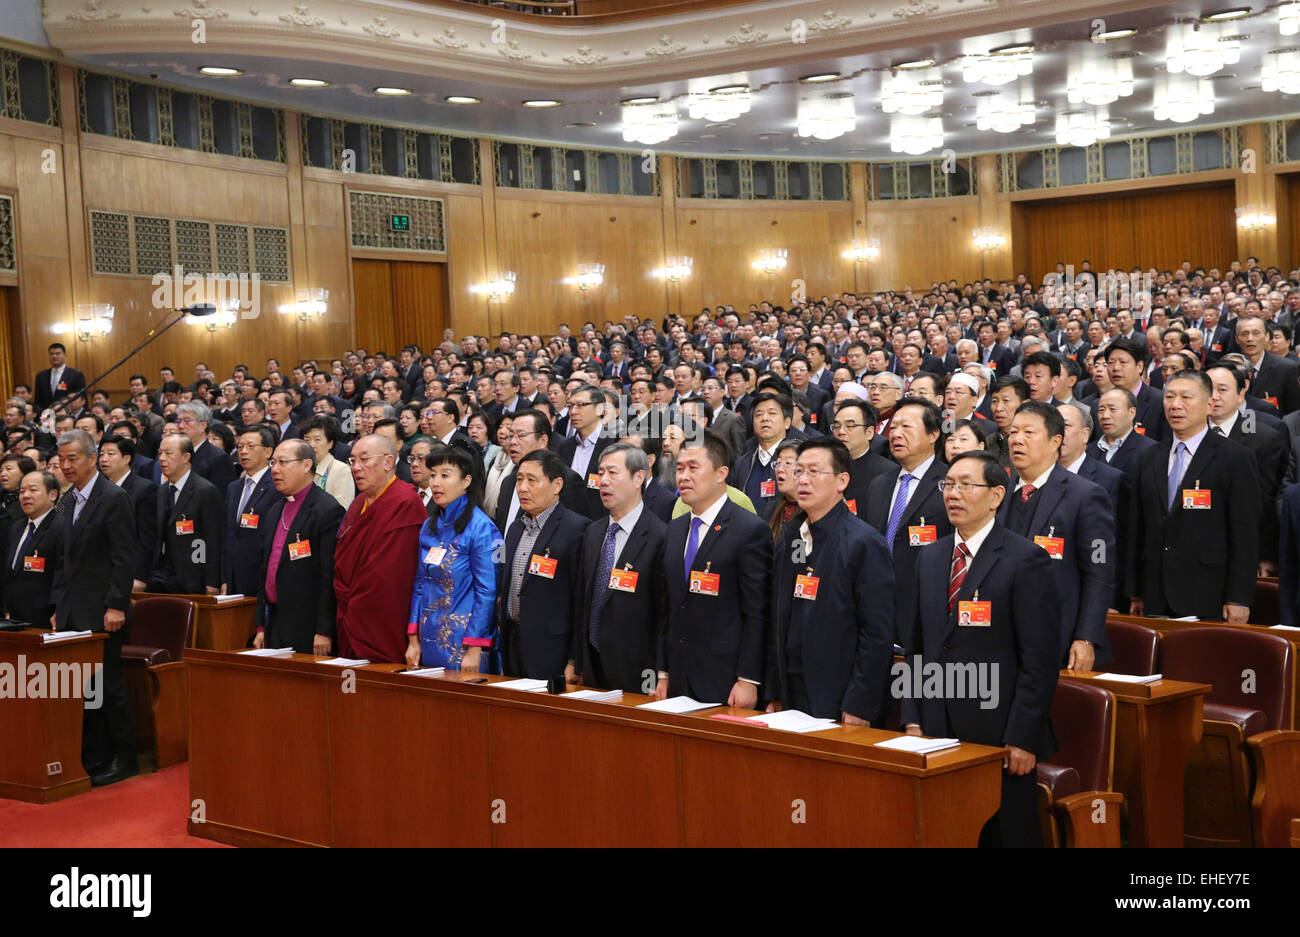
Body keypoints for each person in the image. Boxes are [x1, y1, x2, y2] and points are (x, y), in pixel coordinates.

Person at [902, 450, 1060, 848]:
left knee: (1005, 836)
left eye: (966, 485)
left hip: (999, 733)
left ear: (996, 496)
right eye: (948, 484)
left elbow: (1039, 661)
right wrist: (912, 716)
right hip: (937, 726)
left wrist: (1023, 737)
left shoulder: (1026, 559)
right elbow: (917, 645)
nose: (953, 494)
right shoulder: (931, 556)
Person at [766, 436, 895, 724]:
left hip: (839, 695)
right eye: (798, 471)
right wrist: (773, 689)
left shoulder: (864, 543)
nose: (802, 480)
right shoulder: (791, 536)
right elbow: (777, 617)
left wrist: (860, 702)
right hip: (790, 690)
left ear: (842, 481)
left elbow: (877, 633)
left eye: (814, 471)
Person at [1130, 370, 1260, 621]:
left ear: (1210, 404)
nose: (1175, 405)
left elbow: (1245, 534)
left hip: (1209, 592)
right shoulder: (1148, 457)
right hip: (1154, 592)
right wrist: (1135, 592)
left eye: (1186, 397)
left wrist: (1239, 597)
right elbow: (1136, 530)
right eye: (1169, 397)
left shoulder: (1235, 458)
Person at [50, 429, 138, 786]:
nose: (66, 466)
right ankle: (95, 756)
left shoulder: (114, 497)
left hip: (104, 611)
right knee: (83, 690)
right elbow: (62, 558)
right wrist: (58, 605)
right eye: (62, 459)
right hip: (73, 611)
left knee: (108, 688)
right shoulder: (66, 500)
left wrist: (116, 605)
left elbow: (124, 556)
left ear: (92, 458)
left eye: (73, 458)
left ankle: (125, 758)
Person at [1001, 400, 1114, 671]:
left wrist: (1086, 636)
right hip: (1001, 635)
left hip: (1057, 636)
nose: (1017, 440)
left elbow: (1099, 574)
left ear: (1055, 441)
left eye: (1029, 433)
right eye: (1013, 432)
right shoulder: (998, 492)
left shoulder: (1087, 495)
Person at [659, 431, 770, 705]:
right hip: (678, 675)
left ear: (721, 474)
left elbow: (757, 612)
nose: (683, 476)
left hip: (725, 676)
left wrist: (748, 679)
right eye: (680, 468)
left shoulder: (749, 530)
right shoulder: (674, 529)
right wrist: (662, 672)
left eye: (693, 468)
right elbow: (668, 606)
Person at [574, 442, 668, 692]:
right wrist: (577, 661)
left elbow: (664, 614)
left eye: (612, 473)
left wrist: (661, 672)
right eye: (601, 472)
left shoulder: (660, 536)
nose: (603, 481)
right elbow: (582, 602)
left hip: (637, 668)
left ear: (639, 477)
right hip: (592, 665)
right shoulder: (593, 532)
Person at [333, 434, 429, 662]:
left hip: (382, 618)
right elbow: (341, 558)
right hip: (349, 609)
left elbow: (389, 575)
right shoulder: (359, 503)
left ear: (388, 462)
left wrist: (355, 604)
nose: (356, 467)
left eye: (364, 460)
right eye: (352, 461)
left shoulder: (405, 502)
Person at [865, 399, 951, 652]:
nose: (896, 434)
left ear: (934, 434)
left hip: (924, 609)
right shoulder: (879, 484)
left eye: (907, 427)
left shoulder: (950, 483)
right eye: (893, 427)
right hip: (877, 607)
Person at [408, 442, 502, 670]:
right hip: (428, 637)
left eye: (445, 475)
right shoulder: (429, 525)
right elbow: (420, 583)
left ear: (466, 481)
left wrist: (475, 646)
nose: (436, 482)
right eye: (433, 475)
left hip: (465, 642)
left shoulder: (482, 528)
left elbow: (487, 592)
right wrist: (413, 638)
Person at [498, 449, 590, 679]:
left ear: (557, 485)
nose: (522, 488)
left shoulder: (577, 529)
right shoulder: (515, 528)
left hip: (552, 651)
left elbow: (580, 601)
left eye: (532, 480)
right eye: (519, 480)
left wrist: (573, 660)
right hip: (512, 645)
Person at [253, 438, 345, 654]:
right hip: (274, 621)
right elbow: (264, 571)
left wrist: (324, 630)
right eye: (272, 463)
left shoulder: (327, 510)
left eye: (283, 462)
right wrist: (260, 625)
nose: (275, 469)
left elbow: (329, 577)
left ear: (306, 465)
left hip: (309, 626)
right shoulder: (275, 509)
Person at [146, 433, 223, 595]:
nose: (161, 458)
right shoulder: (162, 490)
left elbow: (212, 539)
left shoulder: (205, 490)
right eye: (160, 453)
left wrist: (211, 581)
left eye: (168, 453)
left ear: (186, 457)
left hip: (193, 576)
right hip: (161, 574)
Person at [222, 423, 282, 596]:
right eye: (240, 446)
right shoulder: (233, 487)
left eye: (250, 446)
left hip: (260, 577)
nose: (243, 451)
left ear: (268, 452)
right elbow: (228, 534)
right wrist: (225, 577)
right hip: (233, 577)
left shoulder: (277, 486)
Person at [1, 470, 63, 624]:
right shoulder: (16, 527)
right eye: (22, 491)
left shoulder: (61, 527)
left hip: (46, 618)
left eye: (33, 490)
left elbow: (63, 573)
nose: (26, 496)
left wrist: (59, 609)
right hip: (14, 618)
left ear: (53, 495)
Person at [98, 434, 157, 590]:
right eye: (101, 454)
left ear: (126, 458)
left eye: (111, 454)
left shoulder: (144, 489)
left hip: (128, 572)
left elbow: (147, 538)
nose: (103, 459)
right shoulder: (98, 490)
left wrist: (140, 576)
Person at [733, 392, 794, 521]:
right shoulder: (742, 463)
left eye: (772, 413)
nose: (764, 418)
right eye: (758, 414)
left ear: (787, 422)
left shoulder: (797, 461)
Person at [832, 399, 893, 515]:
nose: (841, 431)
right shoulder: (824, 468)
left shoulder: (887, 473)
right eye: (836, 426)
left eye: (850, 426)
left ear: (869, 433)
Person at [1088, 388, 1157, 483]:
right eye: (1101, 410)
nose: (1105, 415)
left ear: (1131, 413)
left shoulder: (1149, 450)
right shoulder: (1087, 450)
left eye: (1112, 409)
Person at [304, 414, 356, 510]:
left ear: (330, 443)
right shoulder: (301, 467)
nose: (311, 445)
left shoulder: (340, 470)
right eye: (307, 439)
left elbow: (342, 508)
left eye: (317, 440)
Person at [35, 342, 87, 411]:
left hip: (68, 414)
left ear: (65, 356)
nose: (54, 356)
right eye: (51, 354)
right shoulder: (41, 376)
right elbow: (38, 400)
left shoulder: (76, 375)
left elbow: (82, 398)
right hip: (47, 416)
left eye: (58, 353)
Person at [766, 440, 802, 540]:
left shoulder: (814, 511)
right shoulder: (772, 507)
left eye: (788, 463)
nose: (779, 469)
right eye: (777, 463)